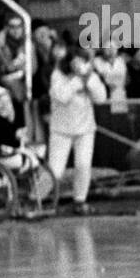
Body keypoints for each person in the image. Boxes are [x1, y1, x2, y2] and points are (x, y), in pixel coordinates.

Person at [48, 45, 108, 215]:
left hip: (85, 128)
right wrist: (76, 82)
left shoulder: (91, 75)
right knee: (55, 170)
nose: (80, 64)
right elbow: (61, 96)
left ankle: (80, 200)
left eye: (83, 61)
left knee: (83, 165)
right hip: (61, 129)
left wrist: (88, 80)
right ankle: (34, 197)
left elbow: (101, 98)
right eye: (77, 61)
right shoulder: (58, 75)